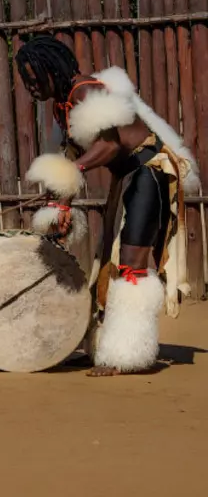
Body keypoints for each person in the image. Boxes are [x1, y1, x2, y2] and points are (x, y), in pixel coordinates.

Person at [15, 36, 199, 376]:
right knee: (107, 259)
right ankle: (102, 346)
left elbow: (110, 146)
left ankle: (127, 355)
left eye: (35, 77)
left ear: (52, 69)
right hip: (128, 179)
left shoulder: (86, 91)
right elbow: (73, 157)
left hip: (149, 172)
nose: (31, 86)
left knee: (131, 261)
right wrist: (61, 202)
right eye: (26, 80)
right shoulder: (63, 105)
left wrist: (72, 171)